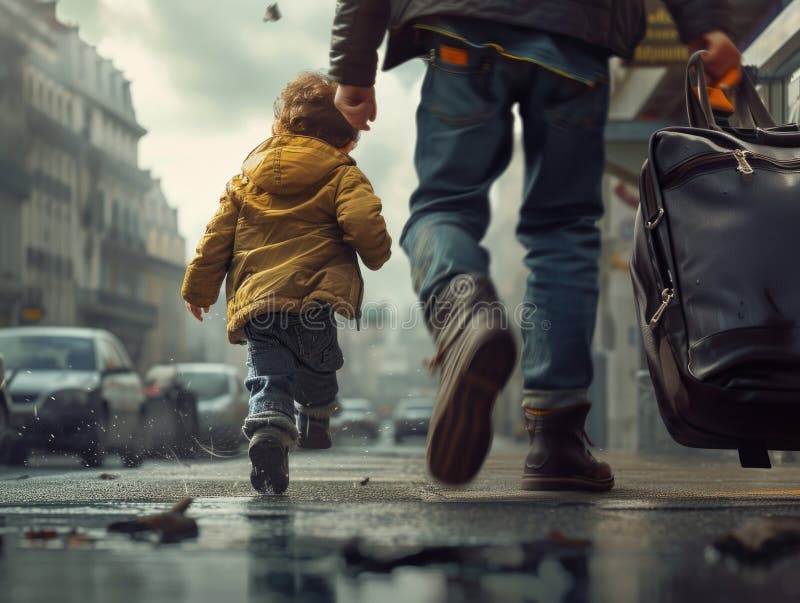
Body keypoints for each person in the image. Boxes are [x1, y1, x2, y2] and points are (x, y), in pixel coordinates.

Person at [328, 1, 741, 490]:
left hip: (464, 27)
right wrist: (704, 23)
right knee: (564, 227)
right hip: (576, 37)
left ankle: (461, 306)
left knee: (445, 205)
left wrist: (353, 66)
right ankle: (557, 440)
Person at [181, 72, 392, 494]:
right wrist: (376, 252)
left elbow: (215, 237)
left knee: (268, 377)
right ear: (345, 137)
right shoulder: (342, 174)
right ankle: (315, 416)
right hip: (313, 300)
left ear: (285, 124)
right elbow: (363, 222)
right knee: (321, 366)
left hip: (259, 304)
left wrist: (198, 289)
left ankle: (268, 432)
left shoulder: (245, 180)